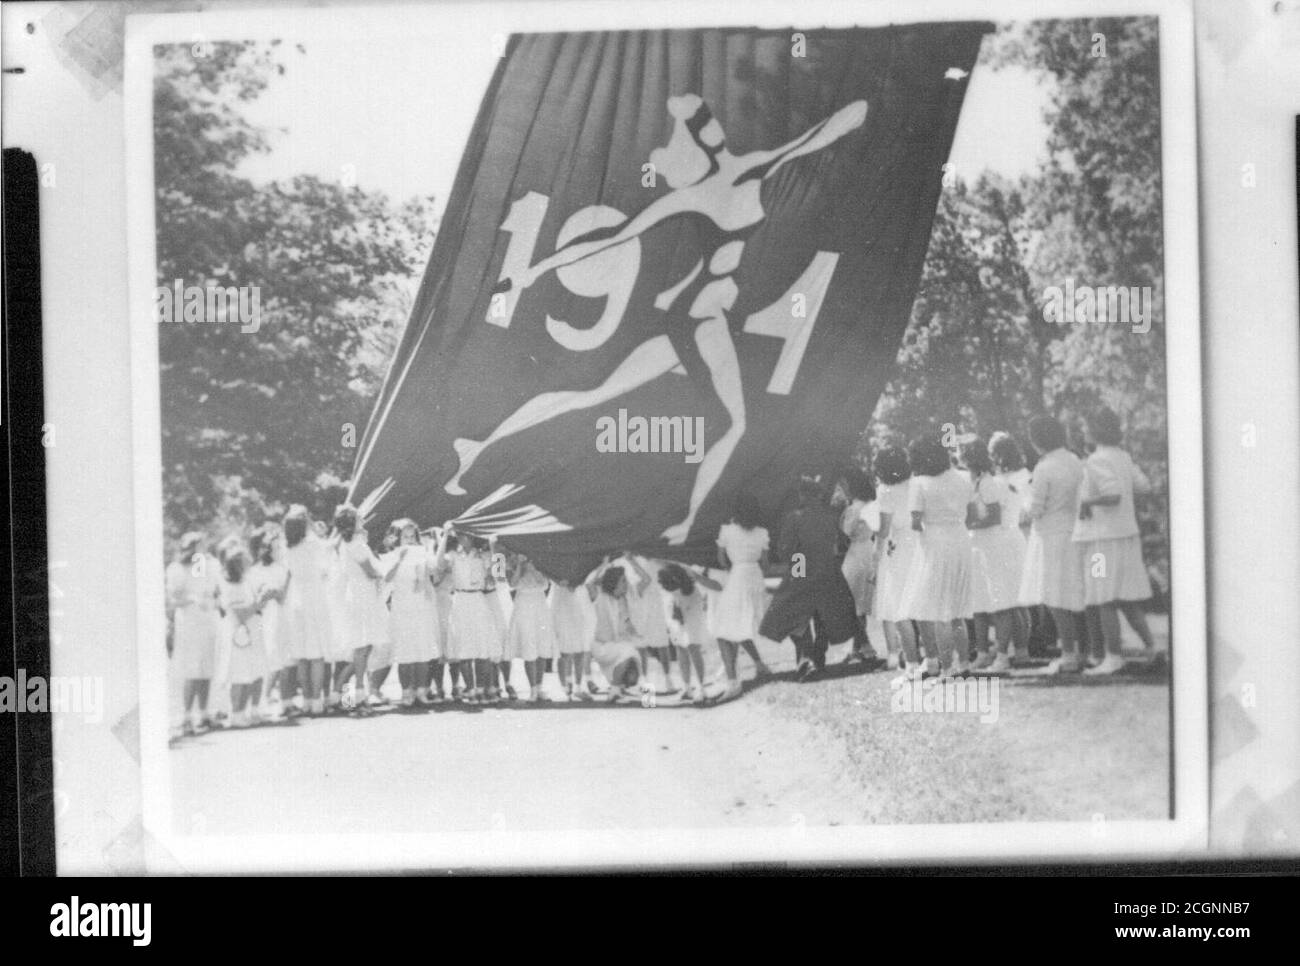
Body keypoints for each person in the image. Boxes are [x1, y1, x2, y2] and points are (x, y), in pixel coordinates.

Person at [444, 94, 868, 546]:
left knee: (594, 394)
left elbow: (612, 236)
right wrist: (852, 116)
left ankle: (479, 447)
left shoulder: (711, 184)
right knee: (734, 424)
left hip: (687, 318)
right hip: (701, 316)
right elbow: (813, 137)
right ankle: (688, 523)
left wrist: (535, 271)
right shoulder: (742, 172)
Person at [1074, 407, 1157, 675]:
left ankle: (1114, 656)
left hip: (1102, 541)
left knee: (1103, 598)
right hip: (1125, 536)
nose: (1083, 431)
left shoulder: (1096, 460)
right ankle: (1151, 647)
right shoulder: (1122, 457)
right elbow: (1143, 486)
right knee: (1127, 598)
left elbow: (1113, 495)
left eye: (1086, 427)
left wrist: (1087, 501)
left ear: (1095, 430)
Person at [759, 474, 860, 681]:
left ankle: (805, 658)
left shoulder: (794, 517)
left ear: (803, 495)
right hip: (828, 569)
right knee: (824, 615)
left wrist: (797, 571)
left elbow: (786, 549)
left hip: (801, 568)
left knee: (794, 613)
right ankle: (818, 655)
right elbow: (839, 544)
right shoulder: (830, 516)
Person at [898, 435, 975, 677]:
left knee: (940, 612)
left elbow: (915, 522)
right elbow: (971, 513)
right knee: (957, 612)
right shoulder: (963, 477)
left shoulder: (918, 483)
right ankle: (964, 664)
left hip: (935, 545)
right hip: (961, 541)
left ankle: (948, 669)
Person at [1019, 415, 1088, 674]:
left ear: (1038, 440)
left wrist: (1023, 502)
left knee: (1055, 597)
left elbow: (1035, 508)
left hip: (1050, 536)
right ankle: (1082, 652)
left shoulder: (1044, 467)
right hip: (1074, 531)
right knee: (1074, 594)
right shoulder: (1074, 461)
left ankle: (1069, 654)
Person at [961, 438, 1027, 674]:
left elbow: (994, 517)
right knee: (980, 602)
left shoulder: (989, 483)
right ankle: (983, 653)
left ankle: (1002, 657)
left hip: (994, 546)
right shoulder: (976, 482)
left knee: (1001, 603)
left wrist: (967, 523)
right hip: (980, 546)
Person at [332, 504, 394, 713]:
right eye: (359, 518)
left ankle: (342, 695)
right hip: (361, 595)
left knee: (364, 648)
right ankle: (356, 694)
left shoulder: (351, 542)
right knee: (360, 648)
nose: (363, 520)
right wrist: (385, 570)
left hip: (363, 594)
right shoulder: (356, 544)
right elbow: (370, 571)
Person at [713, 494, 775, 693]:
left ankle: (732, 681)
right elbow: (765, 565)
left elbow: (722, 561)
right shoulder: (762, 533)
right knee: (739, 625)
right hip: (755, 577)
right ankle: (759, 665)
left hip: (738, 576)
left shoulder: (727, 531)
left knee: (723, 630)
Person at [872, 447, 921, 673]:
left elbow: (883, 531)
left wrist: (876, 557)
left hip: (899, 547)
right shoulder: (916, 484)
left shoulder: (886, 491)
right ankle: (930, 657)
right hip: (920, 543)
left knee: (900, 607)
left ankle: (911, 661)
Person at [440, 530, 503, 704]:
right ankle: (471, 688)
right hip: (460, 599)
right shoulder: (452, 555)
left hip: (478, 598)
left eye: (467, 535)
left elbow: (499, 574)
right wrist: (444, 537)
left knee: (482, 645)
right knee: (464, 647)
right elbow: (439, 566)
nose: (463, 538)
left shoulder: (483, 556)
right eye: (460, 535)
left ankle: (482, 688)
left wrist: (493, 545)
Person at [166, 532, 220, 735]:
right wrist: (193, 599)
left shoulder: (206, 566)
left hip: (206, 620)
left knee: (205, 667)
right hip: (189, 622)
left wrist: (209, 599)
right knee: (192, 668)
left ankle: (203, 713)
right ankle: (186, 715)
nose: (203, 550)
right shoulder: (178, 569)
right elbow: (174, 598)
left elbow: (212, 589)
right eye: (199, 546)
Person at [383, 519, 441, 706]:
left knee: (423, 651)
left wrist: (433, 546)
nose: (409, 540)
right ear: (398, 538)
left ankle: (422, 691)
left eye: (412, 536)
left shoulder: (422, 553)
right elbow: (387, 578)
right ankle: (407, 691)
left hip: (421, 605)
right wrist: (400, 559)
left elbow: (434, 571)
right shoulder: (392, 554)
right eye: (405, 537)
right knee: (405, 652)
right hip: (402, 606)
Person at [216, 542, 274, 728]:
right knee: (238, 674)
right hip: (238, 633)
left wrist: (262, 597)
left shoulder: (247, 580)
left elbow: (254, 603)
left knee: (254, 670)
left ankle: (252, 709)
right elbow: (238, 612)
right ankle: (236, 713)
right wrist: (258, 604)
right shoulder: (229, 585)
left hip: (253, 629)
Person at [834, 468, 883, 665]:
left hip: (855, 554)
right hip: (869, 551)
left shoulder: (853, 509)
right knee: (859, 604)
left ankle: (865, 645)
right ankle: (857, 647)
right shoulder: (872, 505)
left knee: (851, 603)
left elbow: (846, 532)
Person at [657, 563, 722, 704]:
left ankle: (701, 687)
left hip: (691, 616)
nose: (663, 586)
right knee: (681, 650)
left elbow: (697, 607)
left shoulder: (692, 590)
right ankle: (686, 687)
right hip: (676, 619)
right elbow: (669, 607)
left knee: (693, 648)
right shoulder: (669, 592)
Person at [249, 524, 293, 717]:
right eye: (275, 548)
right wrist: (267, 593)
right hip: (268, 618)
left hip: (284, 615)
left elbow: (283, 596)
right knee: (273, 661)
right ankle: (262, 701)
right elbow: (256, 599)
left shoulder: (282, 568)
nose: (278, 551)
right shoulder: (255, 571)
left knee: (286, 662)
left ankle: (286, 702)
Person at [588, 566, 644, 702]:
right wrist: (603, 565)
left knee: (634, 674)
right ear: (614, 583)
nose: (626, 584)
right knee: (628, 650)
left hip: (616, 647)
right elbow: (590, 584)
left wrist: (638, 636)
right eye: (623, 581)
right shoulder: (600, 597)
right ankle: (614, 691)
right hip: (601, 646)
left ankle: (627, 689)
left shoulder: (624, 600)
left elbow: (627, 624)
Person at [505, 554, 556, 702]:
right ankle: (530, 688)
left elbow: (545, 584)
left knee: (542, 647)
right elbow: (510, 583)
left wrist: (535, 567)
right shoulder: (506, 558)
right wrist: (520, 565)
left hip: (539, 603)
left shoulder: (540, 558)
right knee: (528, 646)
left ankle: (538, 688)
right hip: (522, 603)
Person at [549, 577, 594, 701]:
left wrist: (578, 581)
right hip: (561, 603)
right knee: (564, 652)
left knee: (579, 651)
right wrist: (557, 580)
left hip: (578, 602)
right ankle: (565, 688)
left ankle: (578, 688)